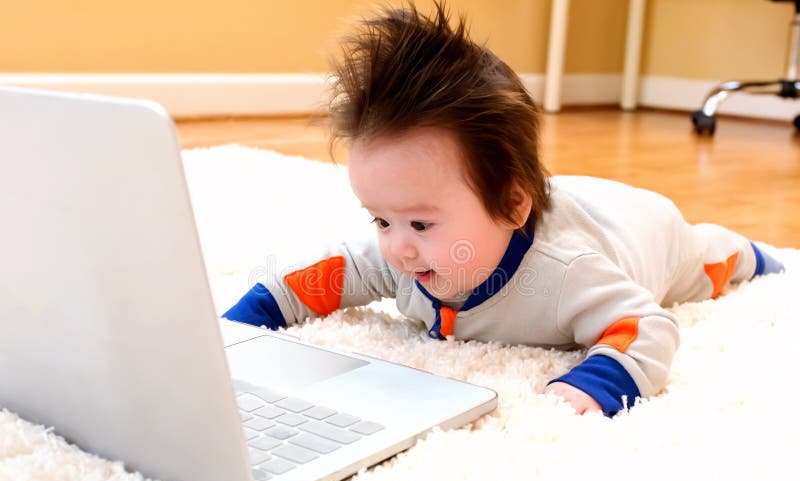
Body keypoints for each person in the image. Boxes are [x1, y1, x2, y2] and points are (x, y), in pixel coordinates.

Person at [223, 2, 784, 416]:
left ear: (513, 206)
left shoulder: (566, 275)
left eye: (420, 223)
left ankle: (753, 255)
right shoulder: (402, 254)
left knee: (712, 262)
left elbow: (647, 326)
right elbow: (321, 274)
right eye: (380, 219)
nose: (397, 245)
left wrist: (597, 384)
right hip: (569, 196)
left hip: (647, 230)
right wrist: (241, 323)